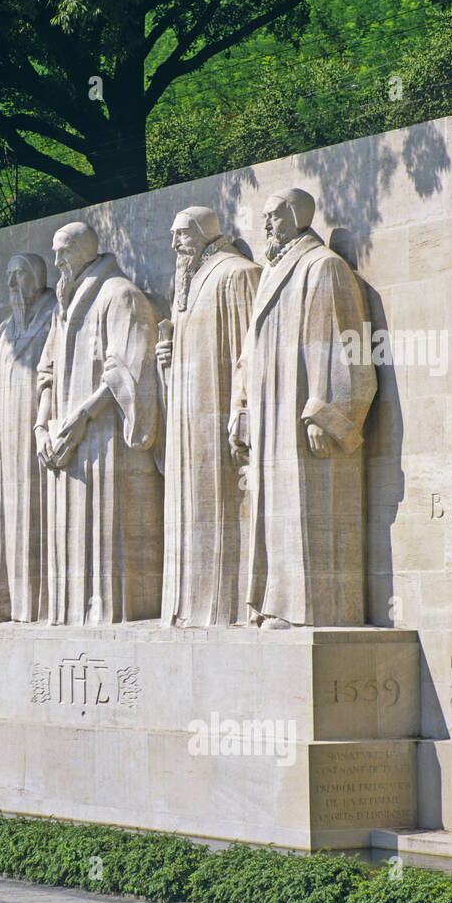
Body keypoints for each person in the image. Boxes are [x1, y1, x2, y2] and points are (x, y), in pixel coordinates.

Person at [229, 188, 376, 628]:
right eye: (265, 218)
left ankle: (310, 611)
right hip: (270, 416)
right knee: (273, 513)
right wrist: (242, 408)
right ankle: (274, 603)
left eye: (274, 216)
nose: (267, 226)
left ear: (296, 216)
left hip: (303, 417)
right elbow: (249, 351)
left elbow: (342, 342)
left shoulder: (322, 266)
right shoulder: (274, 273)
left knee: (308, 508)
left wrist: (325, 411)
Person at [35, 221, 163, 625]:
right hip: (64, 439)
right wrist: (42, 425)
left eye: (65, 251)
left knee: (107, 535)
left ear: (89, 251)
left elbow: (127, 368)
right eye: (55, 252)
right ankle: (71, 614)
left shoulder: (119, 295)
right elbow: (47, 373)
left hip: (104, 440)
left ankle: (106, 613)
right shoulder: (64, 307)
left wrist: (83, 415)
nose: (57, 261)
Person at [156, 206, 260, 627]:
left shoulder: (236, 275)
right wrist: (167, 360)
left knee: (221, 509)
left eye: (182, 234)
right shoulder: (184, 287)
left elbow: (249, 352)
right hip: (184, 424)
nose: (176, 242)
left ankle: (228, 606)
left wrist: (243, 409)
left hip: (217, 420)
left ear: (203, 233)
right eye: (173, 234)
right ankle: (188, 608)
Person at [0, 252, 56, 623]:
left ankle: (42, 602)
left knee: (39, 514)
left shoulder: (55, 317)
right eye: (8, 276)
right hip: (7, 438)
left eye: (20, 275)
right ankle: (4, 601)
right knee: (6, 517)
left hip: (38, 432)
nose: (12, 284)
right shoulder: (0, 335)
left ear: (38, 279)